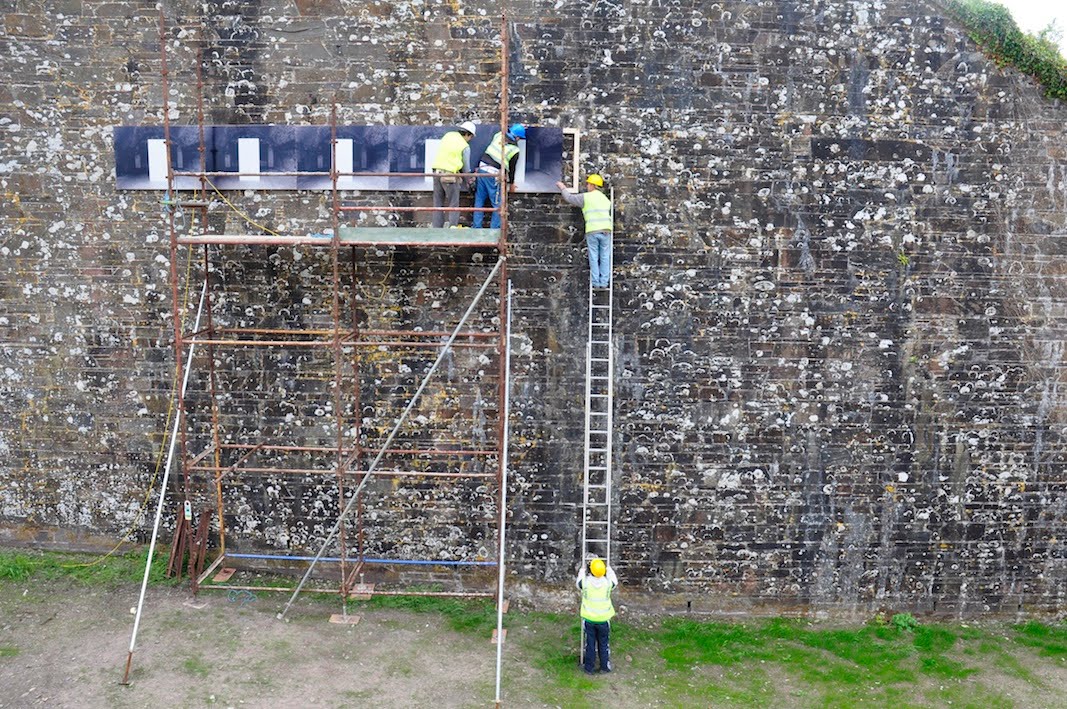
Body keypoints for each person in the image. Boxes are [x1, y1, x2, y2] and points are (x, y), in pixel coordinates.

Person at [556, 174, 613, 288]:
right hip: (606, 230)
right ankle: (604, 282)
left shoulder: (586, 197)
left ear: (592, 185)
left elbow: (570, 198)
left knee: (593, 256)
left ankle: (596, 282)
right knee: (605, 256)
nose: (587, 186)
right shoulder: (605, 199)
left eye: (588, 183)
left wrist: (562, 187)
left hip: (593, 230)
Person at [472, 123, 526, 229]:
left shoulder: (498, 135)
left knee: (479, 201)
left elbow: (505, 130)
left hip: (482, 169)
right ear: (517, 137)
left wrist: (518, 127)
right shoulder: (515, 150)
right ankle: (494, 232)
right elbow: (512, 169)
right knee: (498, 205)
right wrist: (512, 184)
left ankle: (476, 228)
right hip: (494, 174)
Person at [576, 557, 618, 674]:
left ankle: (589, 668)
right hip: (604, 620)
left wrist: (582, 570)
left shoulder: (585, 583)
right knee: (604, 644)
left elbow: (578, 582)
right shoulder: (607, 583)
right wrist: (609, 570)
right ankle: (604, 667)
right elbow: (615, 581)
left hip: (589, 619)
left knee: (590, 644)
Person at [431, 121, 476, 228]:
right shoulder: (465, 146)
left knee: (438, 203)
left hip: (436, 172)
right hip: (449, 176)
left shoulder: (448, 135)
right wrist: (469, 183)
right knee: (453, 204)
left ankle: (436, 229)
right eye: (471, 137)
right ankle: (453, 229)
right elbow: (466, 168)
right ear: (468, 134)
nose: (470, 140)